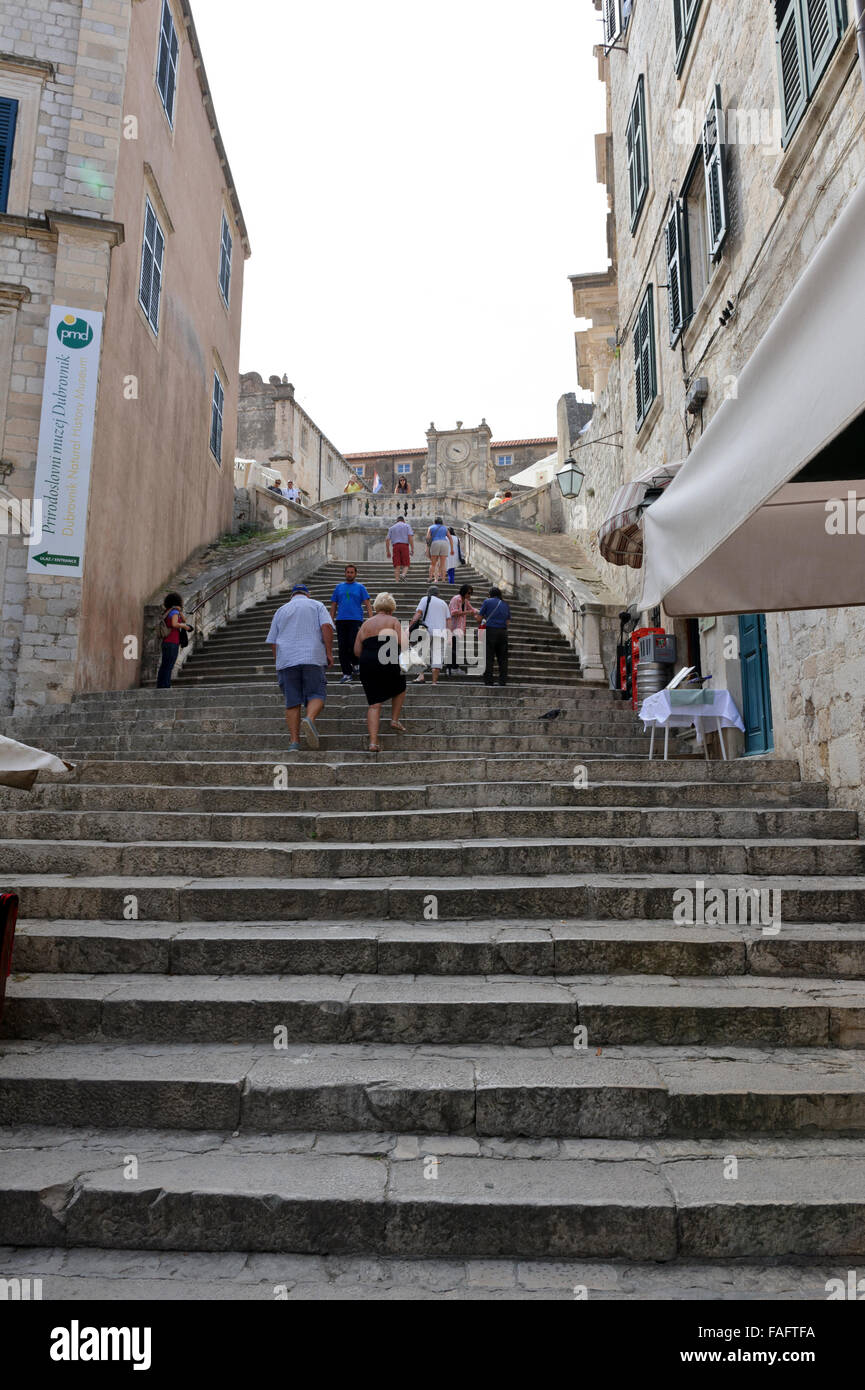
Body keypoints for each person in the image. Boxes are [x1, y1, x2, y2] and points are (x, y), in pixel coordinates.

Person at [266, 583, 334, 750]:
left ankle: (294, 742)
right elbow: (326, 626)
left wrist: (279, 661)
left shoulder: (281, 610)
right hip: (312, 656)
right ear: (307, 594)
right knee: (317, 693)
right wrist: (329, 651)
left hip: (287, 660)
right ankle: (309, 719)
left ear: (292, 595)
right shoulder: (317, 605)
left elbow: (273, 641)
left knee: (292, 702)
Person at [353, 592, 407, 752]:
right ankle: (395, 720)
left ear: (376, 606)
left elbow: (356, 651)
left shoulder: (365, 624)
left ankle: (373, 743)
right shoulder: (393, 621)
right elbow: (403, 645)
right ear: (392, 607)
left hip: (368, 662)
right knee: (401, 687)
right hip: (388, 659)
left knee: (374, 704)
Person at [329, 564, 372, 683]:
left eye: (352, 572)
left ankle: (356, 663)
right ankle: (346, 673)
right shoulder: (339, 588)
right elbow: (333, 605)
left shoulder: (360, 587)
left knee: (354, 644)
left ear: (355, 574)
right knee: (342, 647)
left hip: (356, 620)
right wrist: (330, 620)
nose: (349, 574)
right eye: (348, 572)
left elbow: (368, 604)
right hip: (341, 620)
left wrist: (371, 619)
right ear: (345, 573)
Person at [410, 584, 451, 685]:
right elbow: (448, 620)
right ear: (439, 594)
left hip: (426, 631)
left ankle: (421, 676)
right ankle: (434, 682)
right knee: (437, 657)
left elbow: (418, 613)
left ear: (428, 593)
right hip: (440, 633)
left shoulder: (425, 599)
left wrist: (410, 626)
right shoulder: (444, 603)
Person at [156, 592, 192, 689]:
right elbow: (174, 624)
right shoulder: (174, 613)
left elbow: (184, 619)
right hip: (172, 642)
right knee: (169, 665)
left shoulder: (169, 611)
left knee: (165, 664)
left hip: (166, 642)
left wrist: (180, 611)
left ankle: (161, 685)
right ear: (178, 601)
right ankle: (166, 686)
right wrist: (184, 626)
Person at [478, 586, 511, 687]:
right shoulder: (505, 604)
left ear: (490, 594)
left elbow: (479, 618)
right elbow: (508, 622)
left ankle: (489, 681)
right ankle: (502, 681)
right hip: (503, 632)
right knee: (502, 658)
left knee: (488, 657)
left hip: (490, 631)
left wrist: (480, 619)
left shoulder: (487, 602)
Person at [447, 583, 479, 674]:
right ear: (463, 592)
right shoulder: (456, 599)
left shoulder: (465, 601)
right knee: (453, 648)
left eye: (471, 593)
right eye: (468, 593)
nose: (470, 595)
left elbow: (472, 610)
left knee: (457, 648)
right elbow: (453, 612)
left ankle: (455, 668)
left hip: (460, 628)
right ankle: (452, 668)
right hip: (453, 627)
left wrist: (481, 612)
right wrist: (468, 612)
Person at [386, 517, 414, 581]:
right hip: (404, 546)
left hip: (395, 546)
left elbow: (387, 540)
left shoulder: (392, 528)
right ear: (404, 521)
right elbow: (410, 537)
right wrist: (412, 548)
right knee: (406, 563)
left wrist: (388, 551)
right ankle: (403, 575)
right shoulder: (407, 526)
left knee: (397, 565)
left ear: (397, 521)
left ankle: (397, 581)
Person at [426, 516, 450, 582]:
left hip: (435, 543)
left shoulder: (431, 527)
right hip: (444, 543)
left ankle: (432, 578)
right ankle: (443, 579)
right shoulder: (445, 528)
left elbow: (428, 538)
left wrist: (427, 548)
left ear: (434, 522)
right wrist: (452, 548)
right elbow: (450, 537)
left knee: (434, 563)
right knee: (443, 564)